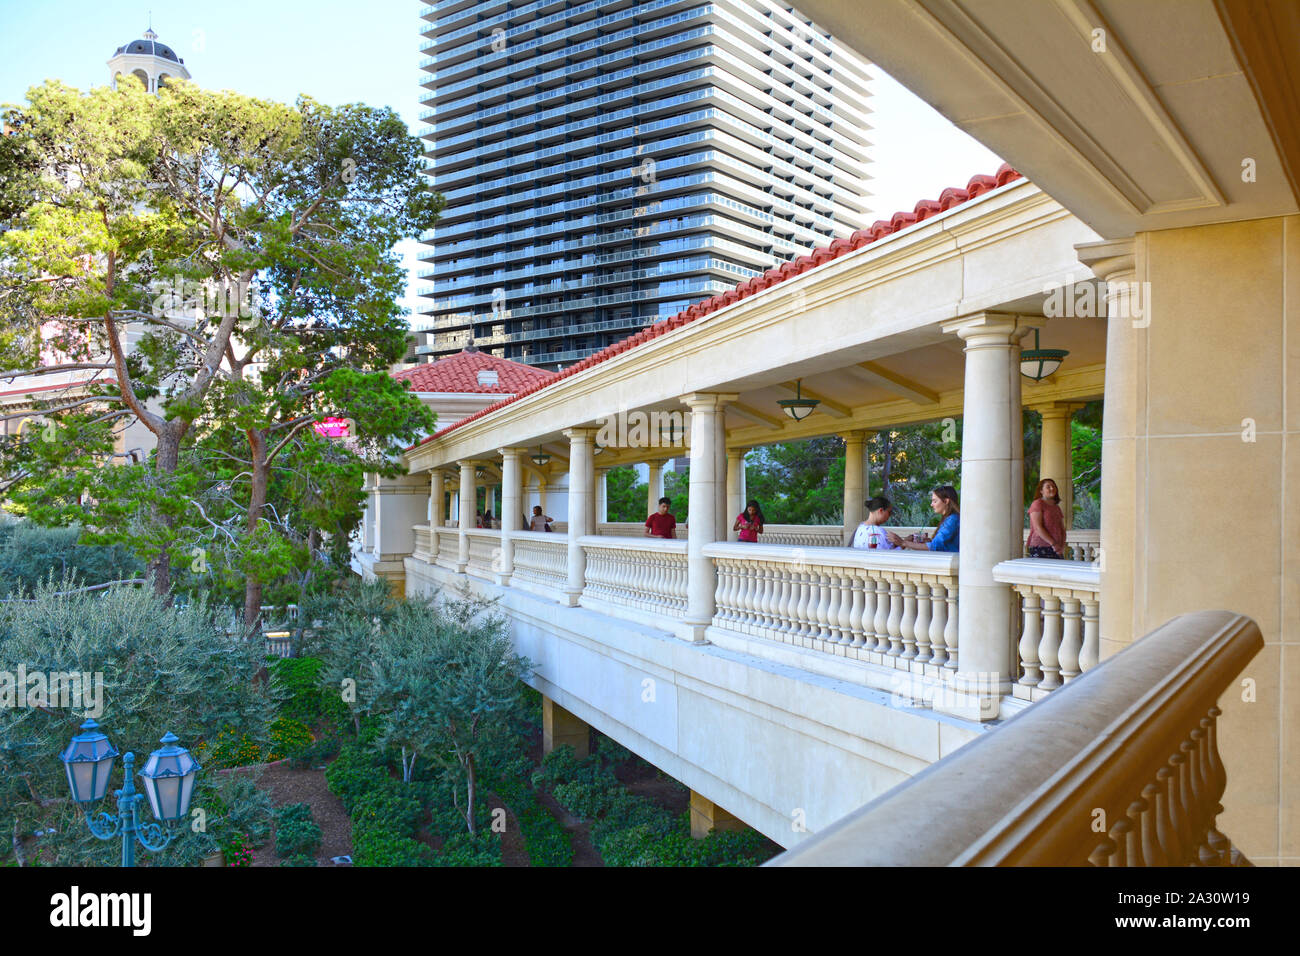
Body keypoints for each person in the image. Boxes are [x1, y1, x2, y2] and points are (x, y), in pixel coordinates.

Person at [888, 486, 959, 552]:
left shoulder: (952, 520)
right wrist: (927, 541)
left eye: (935, 501)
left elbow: (934, 546)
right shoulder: (949, 519)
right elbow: (941, 544)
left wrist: (903, 542)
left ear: (946, 501)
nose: (931, 504)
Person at [1026, 478, 1067, 558]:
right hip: (1041, 547)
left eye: (1054, 486)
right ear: (1041, 491)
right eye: (1048, 487)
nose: (1052, 488)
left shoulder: (1056, 507)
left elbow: (1062, 529)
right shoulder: (1037, 504)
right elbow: (1038, 528)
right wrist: (1053, 544)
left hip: (1057, 548)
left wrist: (1062, 545)